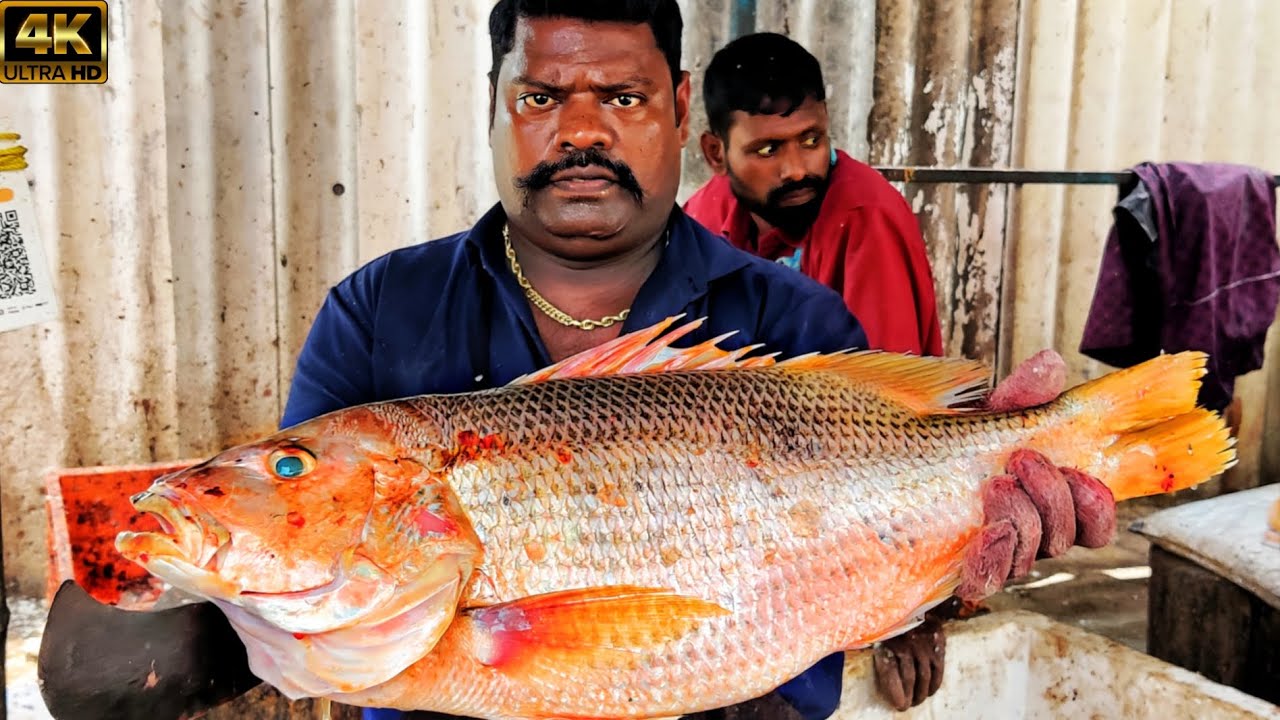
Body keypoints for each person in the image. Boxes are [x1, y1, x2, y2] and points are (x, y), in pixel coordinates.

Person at [34, 3, 1113, 719]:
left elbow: (886, 560)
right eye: (543, 97)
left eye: (624, 97)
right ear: (499, 108)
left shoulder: (795, 321)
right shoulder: (376, 311)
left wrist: (964, 565)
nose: (579, 132)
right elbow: (289, 565)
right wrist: (189, 593)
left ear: (681, 113)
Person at [683, 32, 943, 358]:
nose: (796, 170)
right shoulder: (701, 215)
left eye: (811, 141)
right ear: (715, 154)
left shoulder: (866, 218)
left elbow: (883, 392)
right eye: (767, 149)